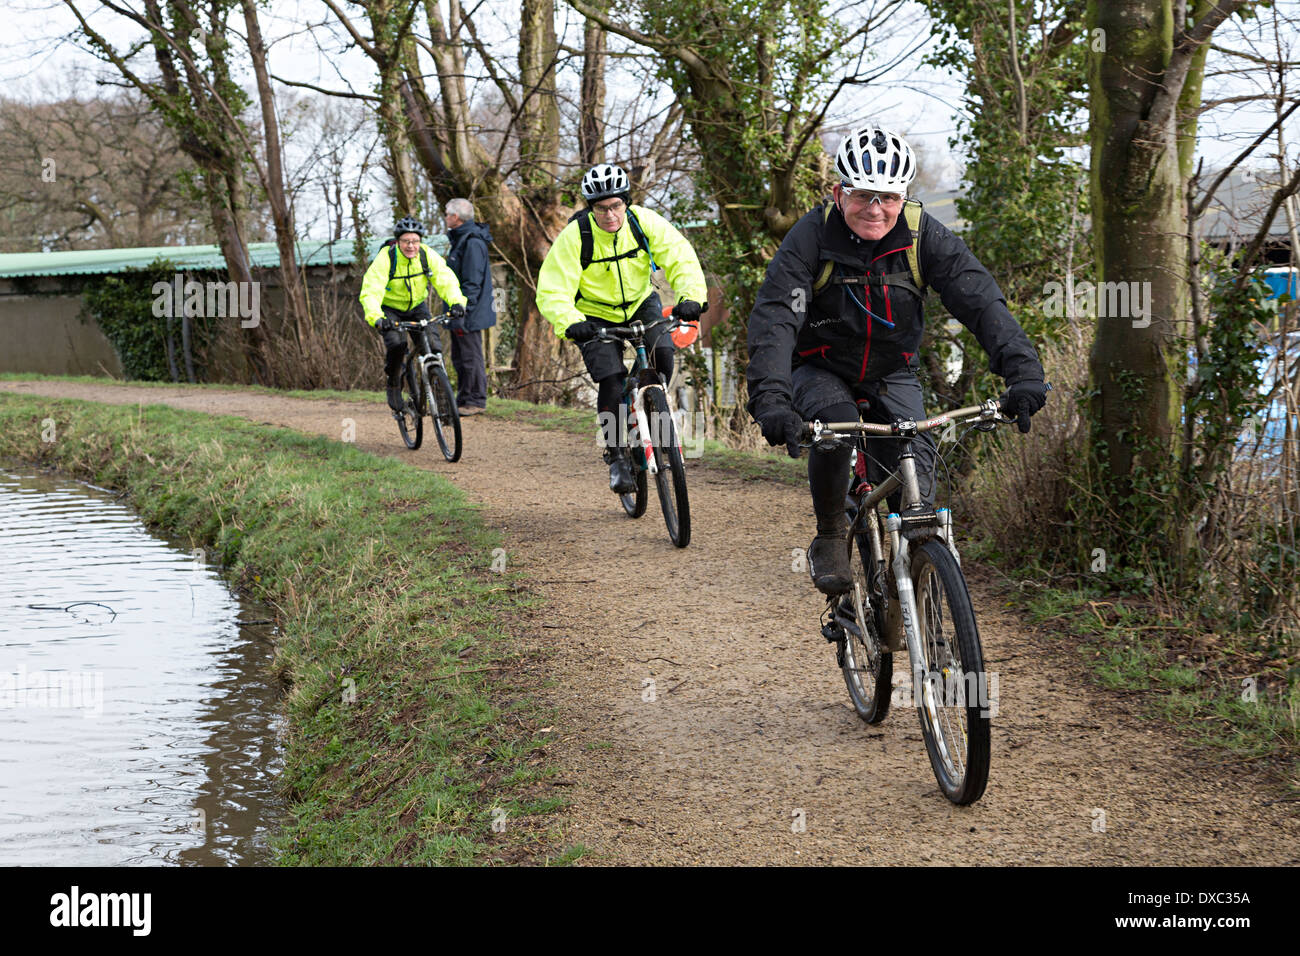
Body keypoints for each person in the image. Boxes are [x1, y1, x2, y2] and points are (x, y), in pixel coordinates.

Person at [746, 125, 1049, 595]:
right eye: (863, 195)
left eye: (888, 197)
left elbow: (982, 302)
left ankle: (916, 595)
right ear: (838, 192)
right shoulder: (809, 238)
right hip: (820, 367)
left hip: (891, 372)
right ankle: (830, 532)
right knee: (838, 424)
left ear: (903, 196)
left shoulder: (922, 235)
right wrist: (771, 399)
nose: (876, 209)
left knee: (915, 481)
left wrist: (1024, 373)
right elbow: (776, 318)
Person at [536, 163, 708, 493]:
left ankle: (649, 401)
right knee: (611, 380)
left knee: (663, 357)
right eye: (601, 208)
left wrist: (691, 297)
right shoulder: (576, 236)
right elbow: (553, 287)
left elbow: (680, 256)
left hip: (640, 303)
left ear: (626, 202)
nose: (610, 214)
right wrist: (571, 322)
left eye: (616, 205)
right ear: (591, 208)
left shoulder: (644, 222)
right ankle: (616, 454)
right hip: (593, 316)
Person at [359, 216, 467, 414]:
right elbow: (371, 289)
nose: (411, 246)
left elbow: (445, 279)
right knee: (397, 344)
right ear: (398, 242)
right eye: (406, 241)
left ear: (420, 242)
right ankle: (393, 382)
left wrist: (457, 302)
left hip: (417, 307)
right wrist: (376, 317)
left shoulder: (426, 255)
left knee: (434, 347)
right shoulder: (387, 258)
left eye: (415, 241)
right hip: (389, 309)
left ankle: (441, 397)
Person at [444, 199, 496, 415]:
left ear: (456, 217)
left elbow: (472, 281)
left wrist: (464, 310)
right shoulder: (461, 239)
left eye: (447, 214)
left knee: (471, 357)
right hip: (461, 308)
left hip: (469, 311)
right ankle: (464, 399)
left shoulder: (472, 242)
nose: (445, 217)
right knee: (460, 357)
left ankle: (475, 400)